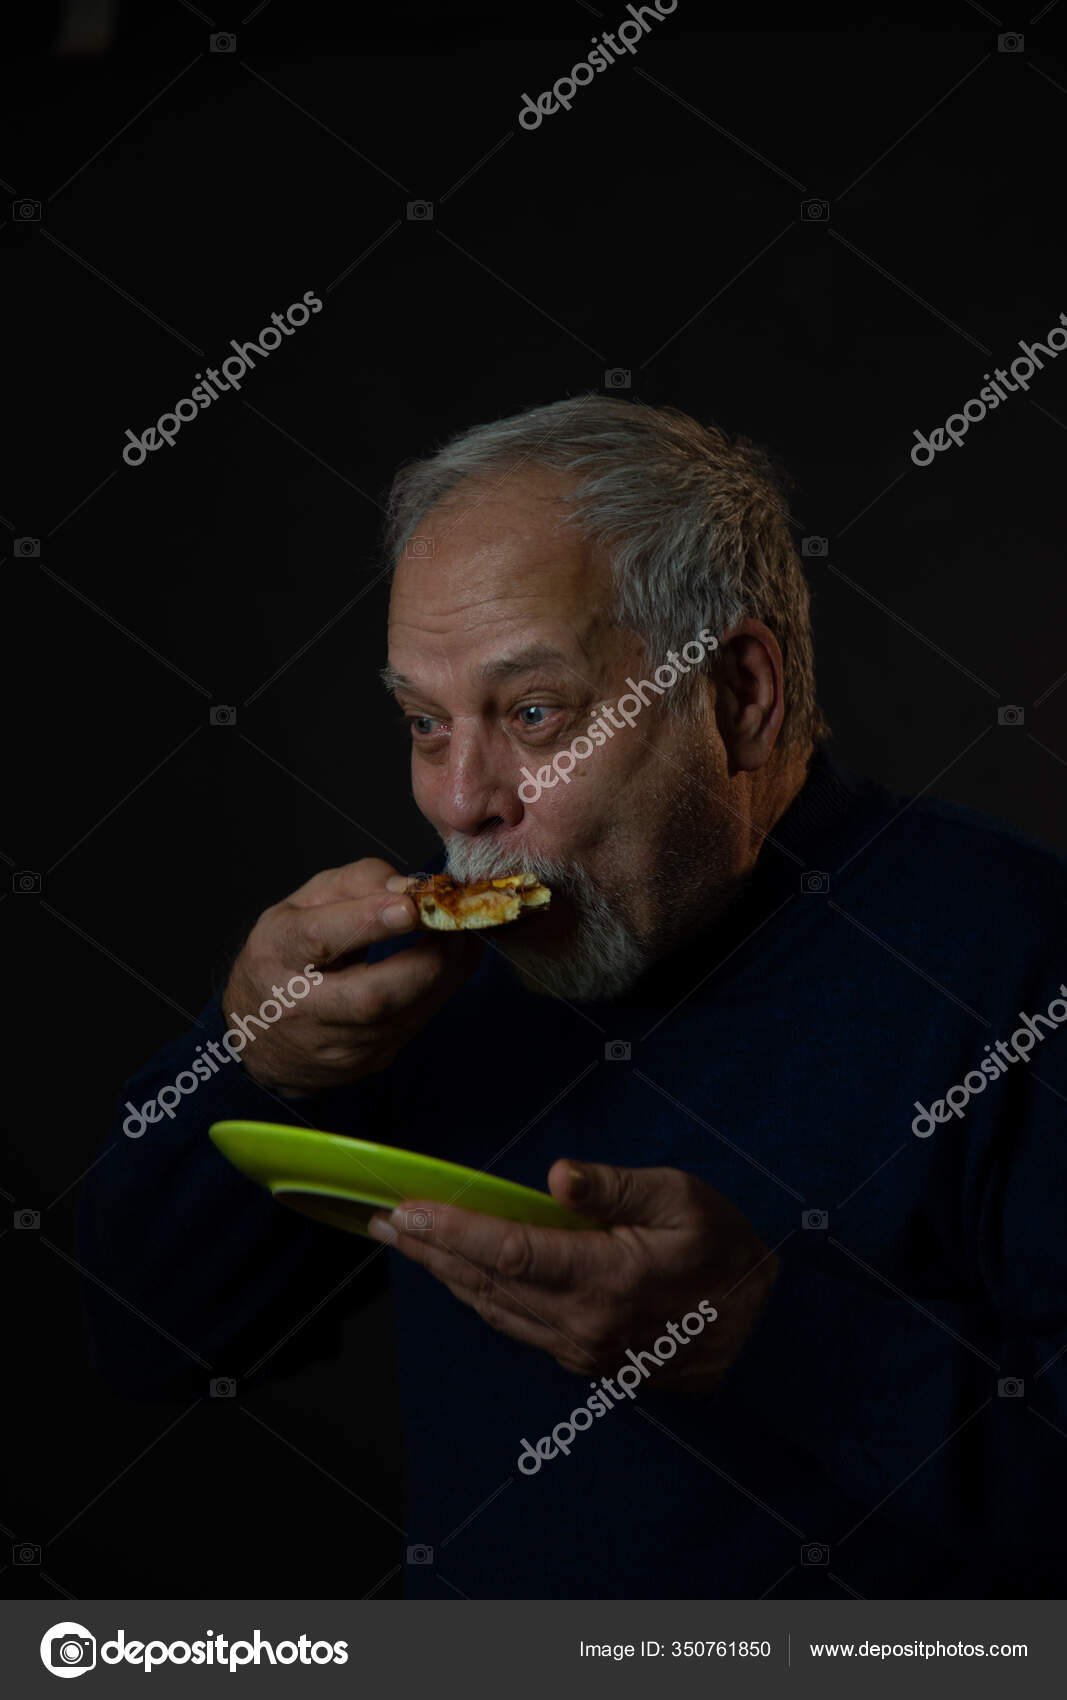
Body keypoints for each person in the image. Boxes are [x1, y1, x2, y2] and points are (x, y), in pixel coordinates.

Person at [78, 396, 1067, 1599]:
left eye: (531, 712)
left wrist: (773, 1335)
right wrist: (256, 1062)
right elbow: (141, 1343)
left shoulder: (1014, 958)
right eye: (422, 722)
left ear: (737, 694)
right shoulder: (419, 991)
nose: (458, 804)